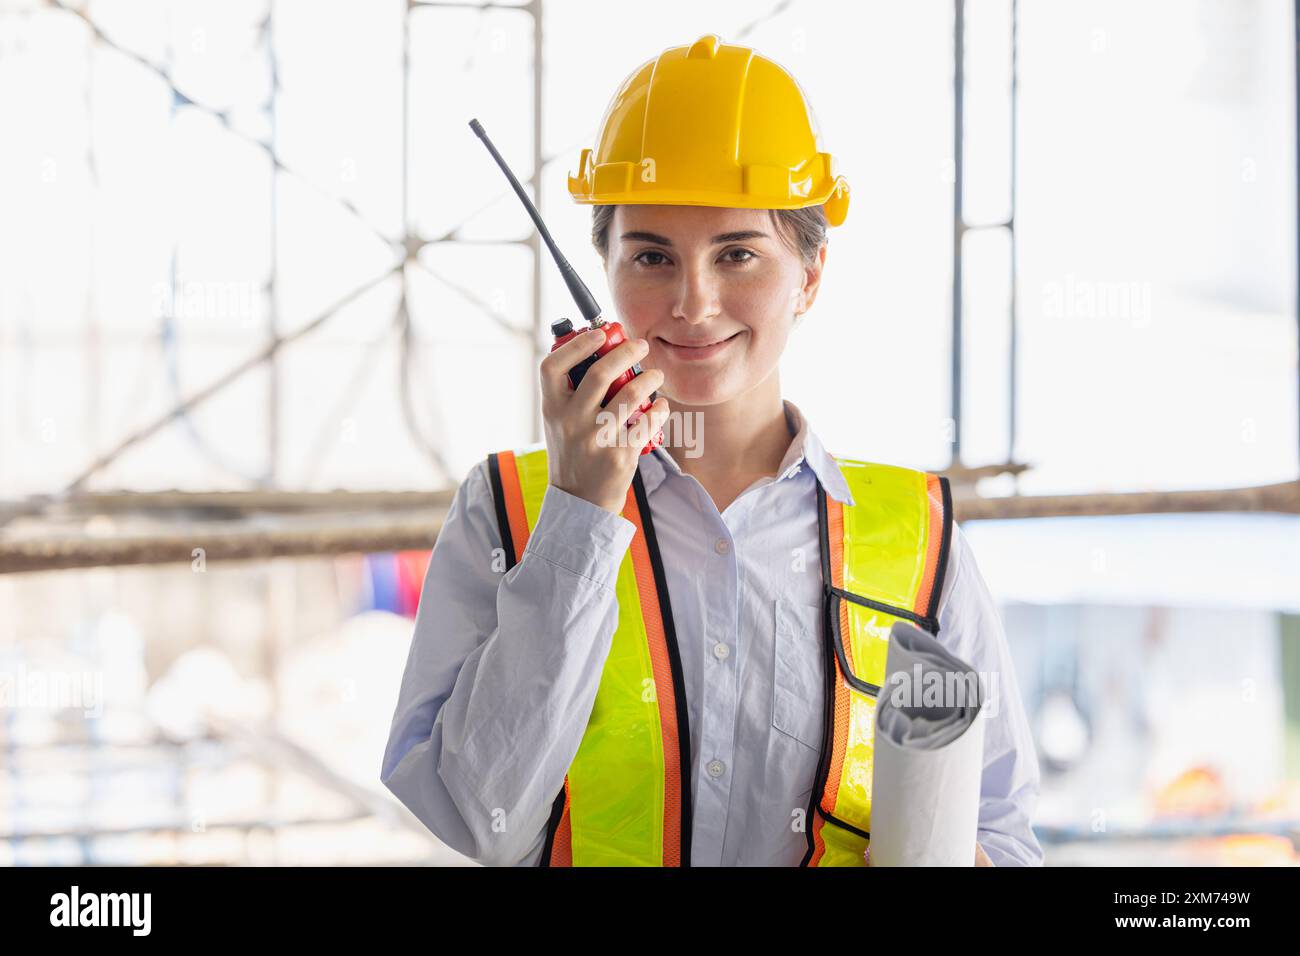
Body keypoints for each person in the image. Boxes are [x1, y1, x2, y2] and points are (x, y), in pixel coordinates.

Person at [380, 33, 1042, 867]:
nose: (694, 302)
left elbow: (1004, 834)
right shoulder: (508, 510)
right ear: (605, 274)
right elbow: (482, 822)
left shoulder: (919, 539)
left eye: (738, 254)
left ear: (810, 275)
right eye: (652, 256)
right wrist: (581, 514)